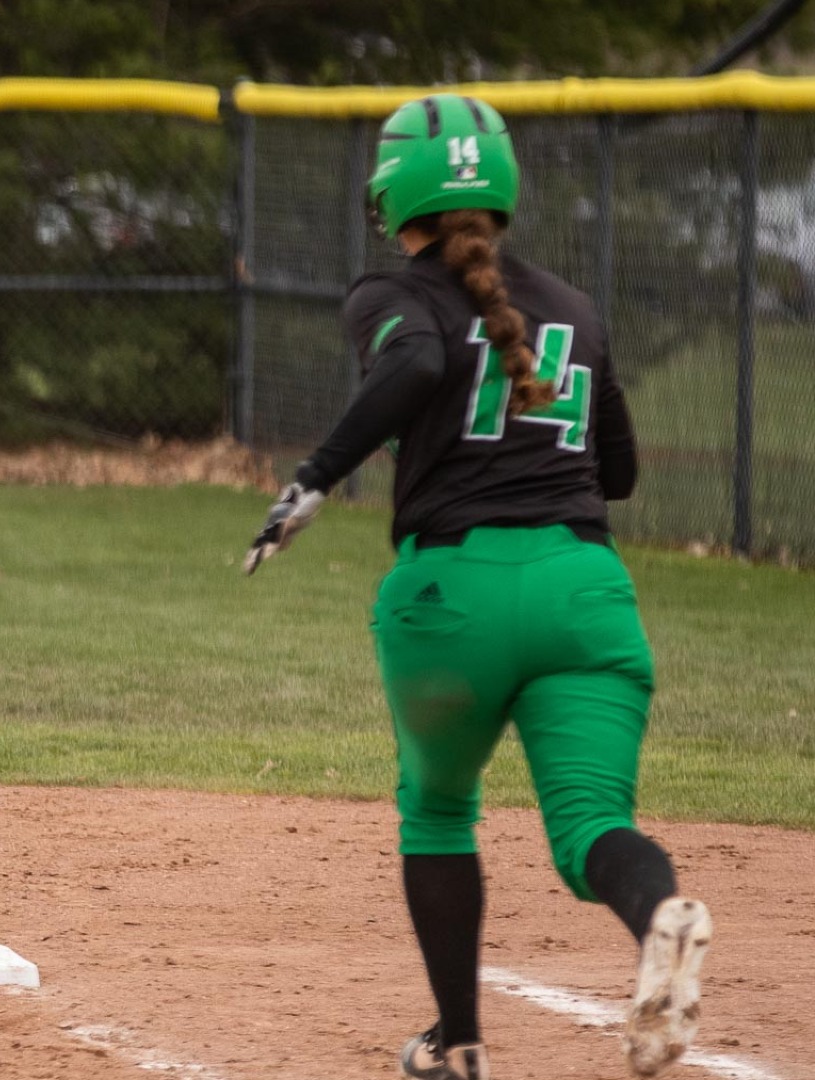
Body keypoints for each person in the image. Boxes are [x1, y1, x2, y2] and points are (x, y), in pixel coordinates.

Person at [243, 94, 711, 1080]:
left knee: (438, 809)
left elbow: (414, 360)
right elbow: (614, 474)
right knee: (590, 827)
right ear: (499, 187)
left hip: (451, 595)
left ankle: (456, 1047)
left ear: (392, 192)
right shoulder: (575, 312)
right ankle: (661, 913)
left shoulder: (392, 295)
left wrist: (315, 476)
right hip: (585, 594)